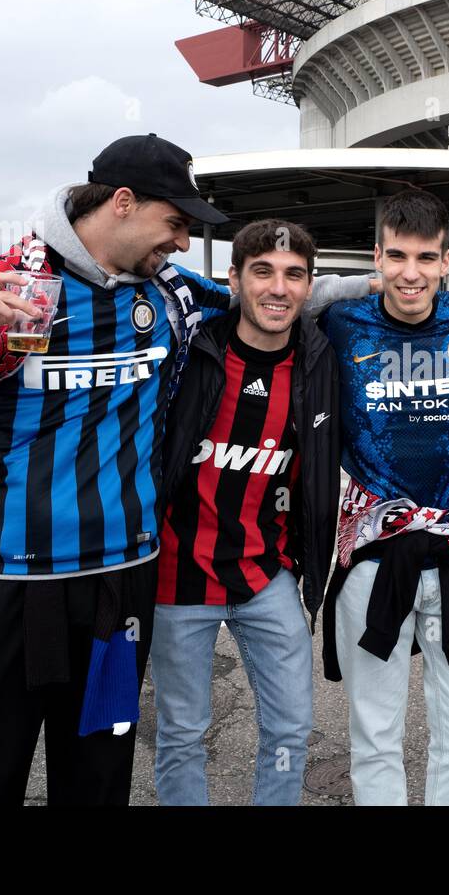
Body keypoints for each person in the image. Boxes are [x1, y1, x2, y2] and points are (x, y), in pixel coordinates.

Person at [0, 133, 370, 806]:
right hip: (10, 581)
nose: (183, 243)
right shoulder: (5, 277)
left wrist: (388, 284)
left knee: (96, 783)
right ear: (123, 203)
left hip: (122, 588)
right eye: (175, 223)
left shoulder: (172, 294)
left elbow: (272, 295)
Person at [151, 219, 340, 806]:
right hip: (177, 578)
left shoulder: (321, 362)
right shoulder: (188, 350)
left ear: (310, 287)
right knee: (182, 733)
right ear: (234, 279)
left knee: (289, 729)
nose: (278, 288)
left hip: (268, 576)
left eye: (293, 275)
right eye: (262, 271)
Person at [319, 189, 449, 806]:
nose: (410, 273)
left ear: (448, 260)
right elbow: (263, 302)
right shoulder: (342, 322)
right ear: (377, 257)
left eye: (426, 257)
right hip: (372, 550)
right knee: (374, 734)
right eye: (396, 256)